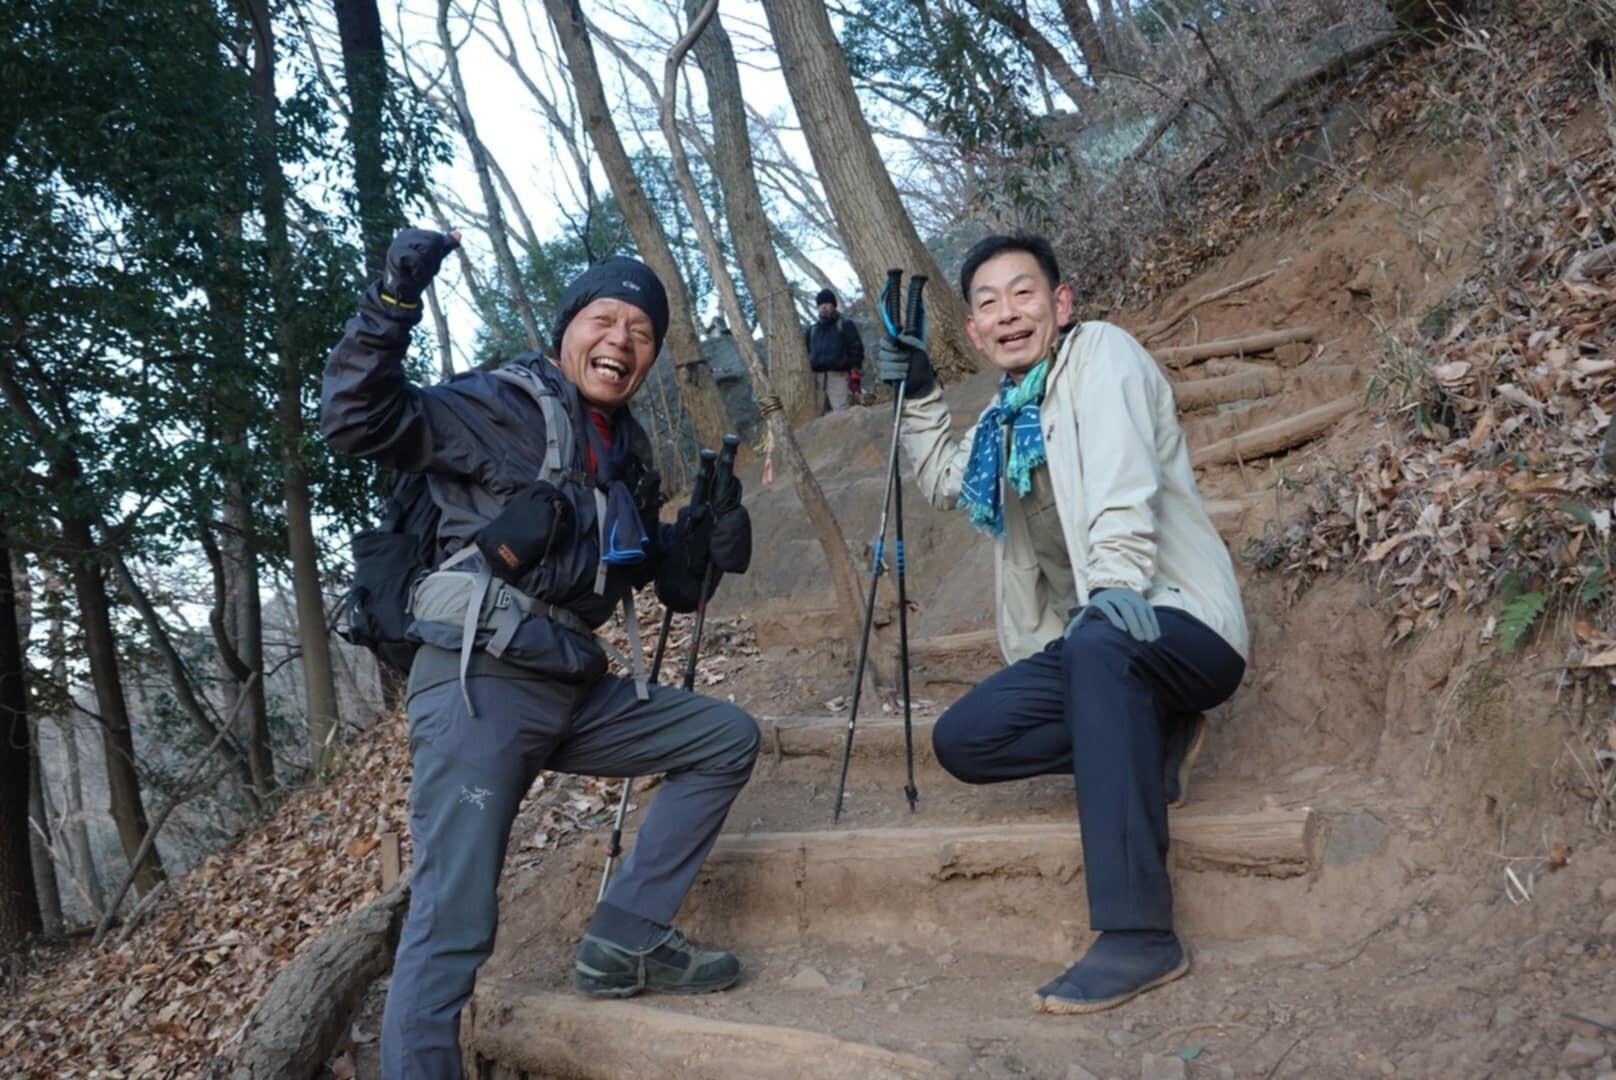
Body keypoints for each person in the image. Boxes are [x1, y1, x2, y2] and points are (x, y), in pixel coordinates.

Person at [322, 228, 760, 1078]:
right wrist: (391, 305)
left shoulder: (625, 451)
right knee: (453, 923)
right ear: (567, 330)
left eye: (641, 333)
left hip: (570, 686)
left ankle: (625, 939)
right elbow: (356, 416)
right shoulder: (499, 404)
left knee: (723, 738)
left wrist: (702, 544)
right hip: (479, 686)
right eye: (605, 319)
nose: (621, 341)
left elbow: (663, 589)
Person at [876, 233, 1248, 1014]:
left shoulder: (1102, 357)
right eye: (988, 304)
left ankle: (1141, 935)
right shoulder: (1007, 418)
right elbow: (946, 478)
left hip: (1173, 618)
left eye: (1023, 293)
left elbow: (1118, 475)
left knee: (1101, 643)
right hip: (1095, 651)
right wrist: (916, 393)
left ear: (1060, 304)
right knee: (967, 739)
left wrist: (1112, 585)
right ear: (974, 335)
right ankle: (1157, 731)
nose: (1008, 313)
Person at [804, 286, 865, 413]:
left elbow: (856, 348)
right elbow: (806, 352)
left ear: (833, 305)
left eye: (827, 303)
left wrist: (855, 370)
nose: (823, 307)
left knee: (842, 414)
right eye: (820, 304)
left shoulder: (844, 324)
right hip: (816, 380)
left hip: (839, 377)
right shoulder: (812, 330)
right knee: (817, 415)